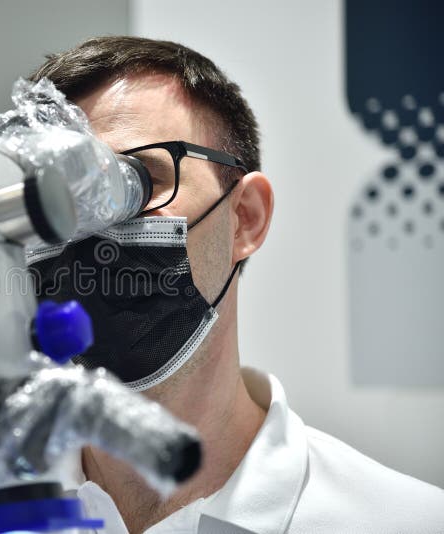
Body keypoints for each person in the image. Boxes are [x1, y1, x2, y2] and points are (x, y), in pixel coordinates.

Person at [25, 36, 444, 534]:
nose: (92, 226)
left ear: (244, 218)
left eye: (133, 179)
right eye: (57, 198)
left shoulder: (404, 522)